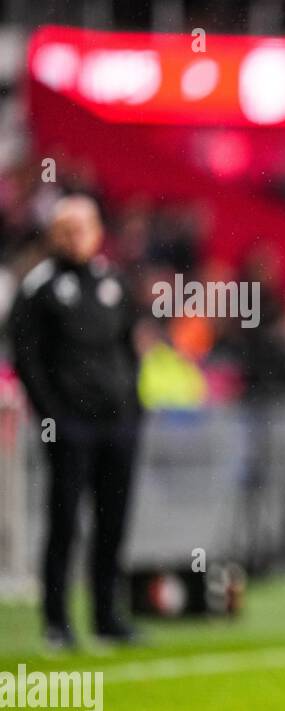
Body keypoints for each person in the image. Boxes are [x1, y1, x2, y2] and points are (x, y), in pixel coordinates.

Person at [10, 194, 142, 652]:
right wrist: (54, 417)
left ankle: (107, 615)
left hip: (117, 423)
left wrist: (134, 408)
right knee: (64, 521)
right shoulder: (39, 288)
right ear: (54, 233)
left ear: (98, 229)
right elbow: (27, 360)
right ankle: (56, 621)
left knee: (114, 522)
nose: (77, 235)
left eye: (85, 225)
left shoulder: (113, 283)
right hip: (70, 426)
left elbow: (129, 350)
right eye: (67, 227)